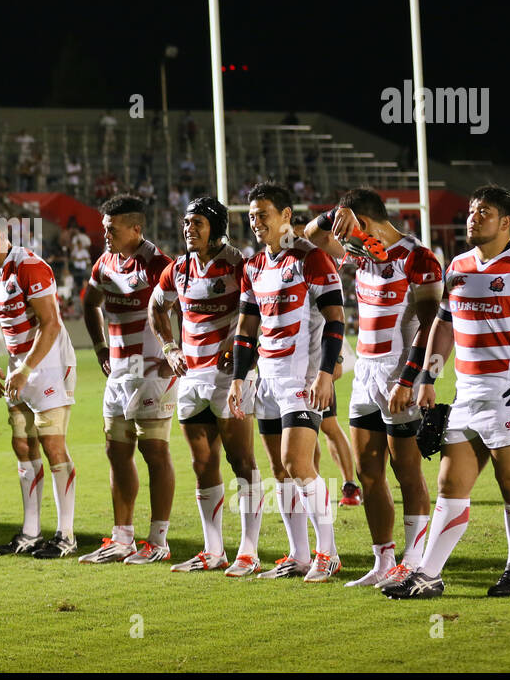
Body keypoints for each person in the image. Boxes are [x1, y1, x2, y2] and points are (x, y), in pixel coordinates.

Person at [385, 185, 510, 599]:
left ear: (505, 222)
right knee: (450, 487)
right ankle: (429, 575)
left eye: (483, 211)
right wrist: (429, 378)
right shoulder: (459, 265)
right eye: (471, 210)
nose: (473, 217)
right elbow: (445, 324)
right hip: (467, 396)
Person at [305, 187, 444, 588]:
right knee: (368, 473)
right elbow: (314, 235)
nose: (342, 239)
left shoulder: (418, 257)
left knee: (407, 471)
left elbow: (431, 323)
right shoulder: (361, 251)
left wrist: (409, 379)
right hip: (365, 372)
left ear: (363, 222)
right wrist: (337, 212)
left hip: (398, 374)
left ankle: (413, 560)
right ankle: (383, 562)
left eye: (348, 227)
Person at [228, 183, 346, 583]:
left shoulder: (311, 260)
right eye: (251, 215)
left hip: (303, 378)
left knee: (299, 463)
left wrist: (326, 373)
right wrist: (240, 378)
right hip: (268, 379)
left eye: (263, 214)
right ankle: (297, 555)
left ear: (285, 215)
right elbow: (246, 330)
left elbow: (335, 320)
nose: (255, 221)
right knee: (280, 470)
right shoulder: (253, 266)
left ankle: (327, 553)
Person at [150, 196, 264, 575]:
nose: (188, 230)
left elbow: (261, 311)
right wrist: (169, 347)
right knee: (202, 463)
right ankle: (213, 550)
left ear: (215, 228)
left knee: (241, 461)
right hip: (192, 378)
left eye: (196, 223)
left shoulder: (238, 265)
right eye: (186, 223)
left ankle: (249, 551)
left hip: (231, 379)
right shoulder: (178, 268)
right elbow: (156, 307)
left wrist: (241, 346)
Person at [0, 215, 80, 559]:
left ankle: (66, 535)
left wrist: (26, 369)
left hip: (47, 363)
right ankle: (31, 533)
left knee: (52, 447)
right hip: (18, 364)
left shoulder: (29, 266)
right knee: (22, 445)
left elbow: (50, 324)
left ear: (2, 236)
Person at [78, 195, 176, 564]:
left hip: (152, 369)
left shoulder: (158, 264)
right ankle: (122, 539)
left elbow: (186, 306)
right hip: (118, 372)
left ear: (136, 228)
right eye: (104, 228)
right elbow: (91, 304)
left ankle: (158, 540)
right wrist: (101, 347)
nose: (105, 235)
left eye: (112, 229)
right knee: (116, 451)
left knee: (154, 452)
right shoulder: (104, 263)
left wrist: (173, 350)